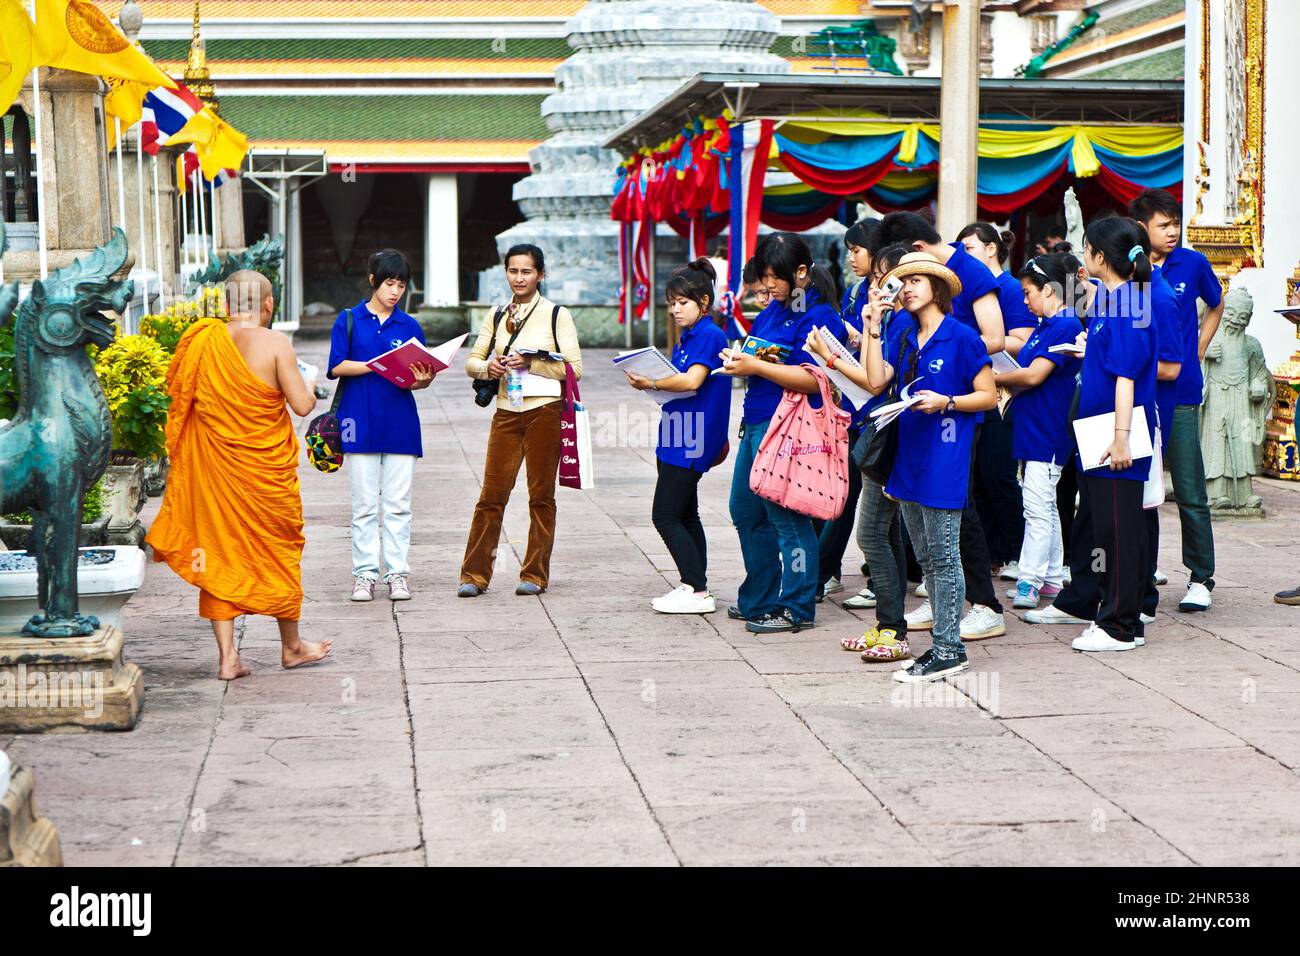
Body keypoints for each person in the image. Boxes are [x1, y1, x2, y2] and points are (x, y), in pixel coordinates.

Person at [146, 270, 331, 680]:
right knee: (280, 548)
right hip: (265, 475)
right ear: (268, 305)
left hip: (217, 473)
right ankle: (292, 647)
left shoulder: (204, 341)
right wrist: (309, 380)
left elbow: (177, 400)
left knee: (219, 550)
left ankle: (228, 656)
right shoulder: (276, 344)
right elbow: (302, 406)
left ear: (227, 305)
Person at [869, 212, 1006, 640]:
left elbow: (987, 395)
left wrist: (946, 400)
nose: (905, 288)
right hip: (909, 454)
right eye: (900, 282)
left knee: (946, 554)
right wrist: (873, 328)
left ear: (938, 288)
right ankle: (942, 629)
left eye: (914, 281)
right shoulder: (905, 333)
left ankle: (951, 644)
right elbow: (876, 380)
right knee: (928, 557)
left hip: (947, 454)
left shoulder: (962, 336)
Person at [1035, 218, 1159, 652]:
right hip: (1098, 428)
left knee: (1120, 530)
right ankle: (1110, 613)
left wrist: (1122, 437)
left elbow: (1127, 376)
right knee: (1105, 527)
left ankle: (1122, 625)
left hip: (1115, 432)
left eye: (1087, 250)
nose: (1083, 258)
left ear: (1100, 257)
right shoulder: (1114, 300)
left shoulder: (1129, 304)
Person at [722, 231, 837, 634]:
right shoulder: (773, 309)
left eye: (776, 277)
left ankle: (797, 605)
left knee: (787, 518)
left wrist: (755, 367)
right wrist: (742, 359)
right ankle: (761, 596)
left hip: (787, 428)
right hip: (756, 422)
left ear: (801, 272)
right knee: (746, 511)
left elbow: (817, 379)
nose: (767, 286)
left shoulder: (818, 316)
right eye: (764, 276)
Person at [807, 244, 916, 662]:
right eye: (879, 280)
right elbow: (874, 377)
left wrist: (830, 357)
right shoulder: (891, 321)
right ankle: (890, 625)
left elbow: (874, 381)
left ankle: (896, 628)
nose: (882, 287)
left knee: (875, 533)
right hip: (879, 430)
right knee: (886, 533)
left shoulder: (905, 324)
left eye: (891, 280)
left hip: (893, 434)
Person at [459, 244, 583, 597]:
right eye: (513, 271)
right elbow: (473, 360)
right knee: (491, 495)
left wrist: (533, 364)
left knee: (540, 495)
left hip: (545, 410)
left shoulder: (557, 314)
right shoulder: (497, 314)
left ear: (540, 275)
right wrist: (490, 367)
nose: (519, 278)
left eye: (526, 271)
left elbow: (575, 368)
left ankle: (535, 573)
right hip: (506, 412)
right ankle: (474, 575)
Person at [1130, 188, 1222, 612]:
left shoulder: (1193, 262)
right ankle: (1143, 568)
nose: (1173, 232)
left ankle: (1201, 576)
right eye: (1164, 225)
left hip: (1181, 391)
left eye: (1175, 224)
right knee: (1141, 488)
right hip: (1138, 393)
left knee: (1188, 487)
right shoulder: (1131, 266)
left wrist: (1198, 348)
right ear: (1142, 227)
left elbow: (1215, 305)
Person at [327, 250, 436, 603]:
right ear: (373, 279)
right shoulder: (348, 319)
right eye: (389, 283)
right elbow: (337, 366)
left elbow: (419, 379)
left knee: (398, 504)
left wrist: (423, 378)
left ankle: (397, 574)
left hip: (401, 422)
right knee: (363, 506)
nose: (395, 291)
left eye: (401, 284)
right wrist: (376, 365)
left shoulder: (409, 326)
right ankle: (364, 575)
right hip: (356, 422)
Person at [625, 259, 730, 614]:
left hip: (692, 437)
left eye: (682, 303)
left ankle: (697, 590)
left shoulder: (709, 334)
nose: (675, 310)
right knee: (686, 514)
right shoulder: (690, 335)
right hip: (677, 431)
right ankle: (693, 584)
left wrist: (651, 382)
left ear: (703, 302)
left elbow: (691, 381)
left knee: (665, 515)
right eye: (671, 303)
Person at [991, 253, 1082, 608]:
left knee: (1036, 507)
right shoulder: (1048, 325)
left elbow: (1032, 375)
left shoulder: (1064, 324)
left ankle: (1029, 579)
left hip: (1048, 430)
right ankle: (1052, 578)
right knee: (1043, 505)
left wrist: (994, 378)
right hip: (1035, 429)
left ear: (1049, 290)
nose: (1025, 300)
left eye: (1029, 292)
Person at [957, 222, 1038, 582]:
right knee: (976, 478)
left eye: (970, 248)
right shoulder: (961, 287)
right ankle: (989, 553)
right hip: (972, 388)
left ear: (992, 249)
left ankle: (1016, 550)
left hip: (1003, 391)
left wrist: (975, 344)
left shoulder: (1006, 288)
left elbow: (1023, 340)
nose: (963, 256)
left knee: (998, 475)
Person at [816, 218, 878, 603]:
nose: (851, 258)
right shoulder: (857, 292)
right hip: (854, 405)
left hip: (878, 407)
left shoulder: (892, 293)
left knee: (873, 502)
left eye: (857, 250)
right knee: (845, 492)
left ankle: (879, 579)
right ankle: (826, 571)